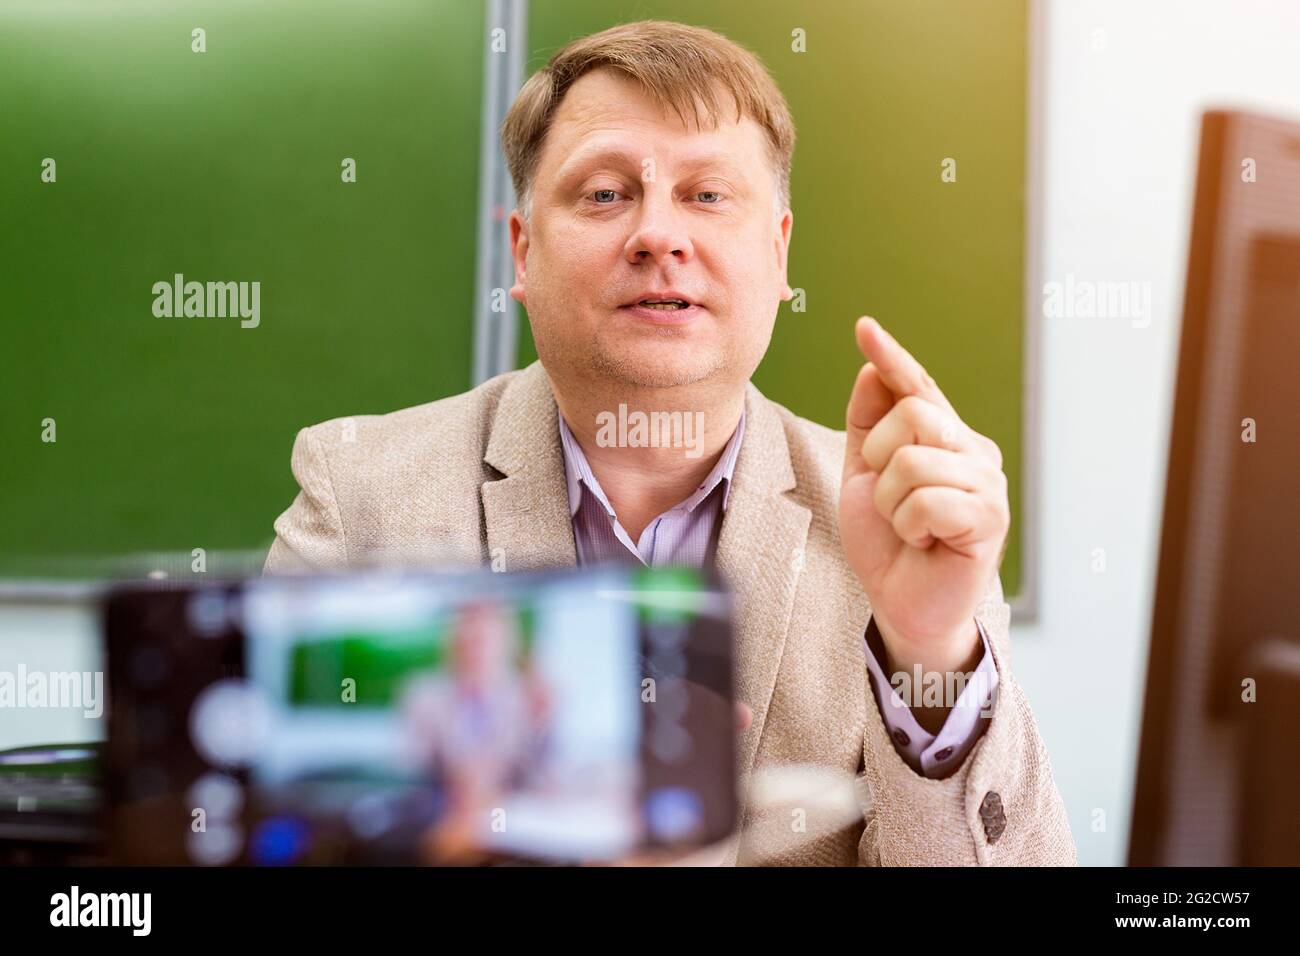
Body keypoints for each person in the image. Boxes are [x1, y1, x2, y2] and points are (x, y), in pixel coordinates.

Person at [266, 20, 1075, 865]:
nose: (659, 235)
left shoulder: (904, 516)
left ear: (778, 249)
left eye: (708, 195)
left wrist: (928, 652)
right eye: (606, 194)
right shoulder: (361, 496)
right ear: (524, 249)